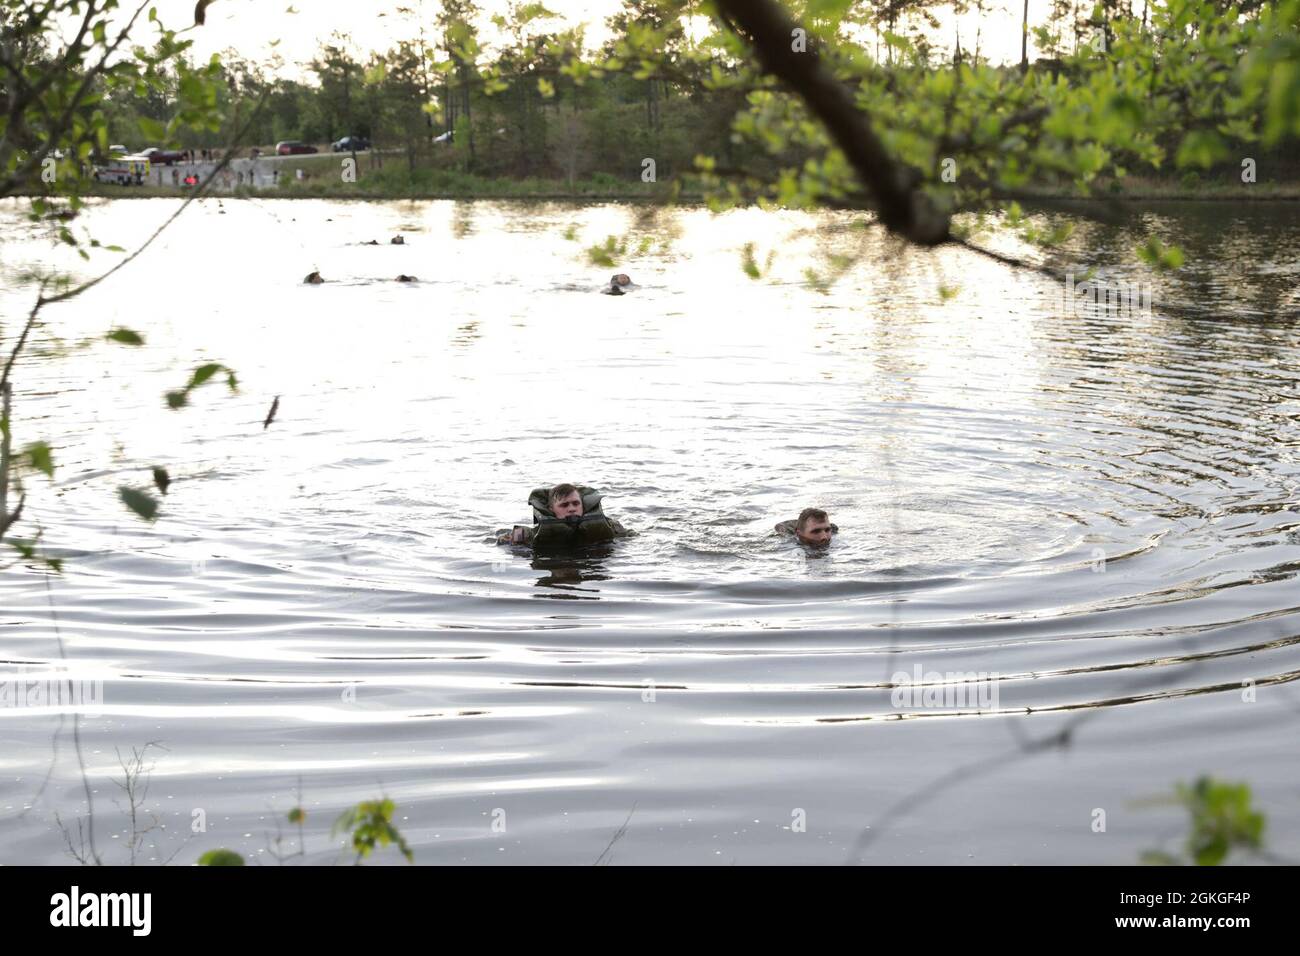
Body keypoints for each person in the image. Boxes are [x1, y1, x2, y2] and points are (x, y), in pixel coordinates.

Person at [497, 483, 632, 546]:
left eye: (575, 503)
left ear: (582, 505)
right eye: (564, 505)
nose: (572, 509)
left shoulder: (611, 526)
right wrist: (510, 541)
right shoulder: (524, 534)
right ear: (551, 509)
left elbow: (632, 538)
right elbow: (502, 541)